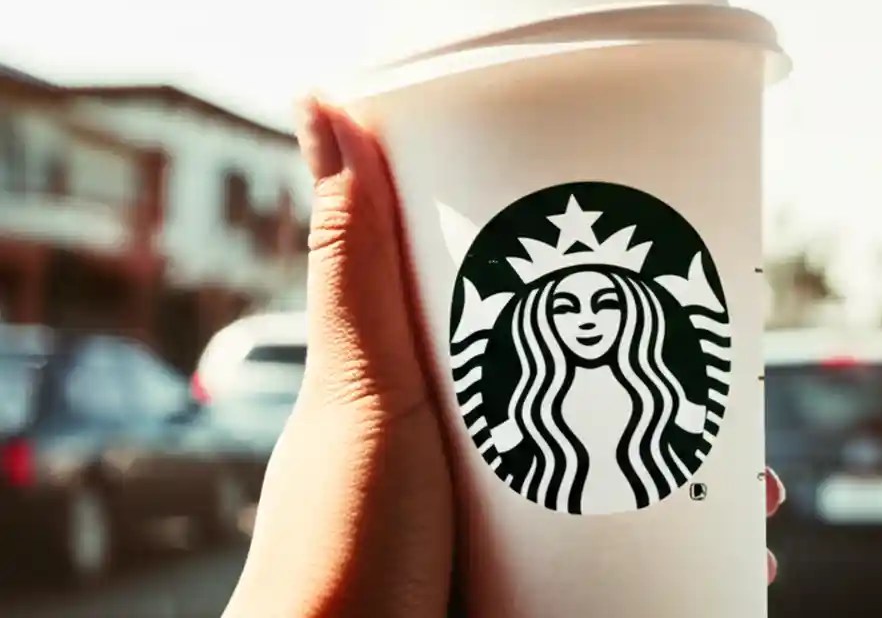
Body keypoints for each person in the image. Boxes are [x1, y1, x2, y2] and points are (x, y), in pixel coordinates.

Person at [222, 98, 785, 617]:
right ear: (538, 321)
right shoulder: (521, 422)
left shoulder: (673, 414)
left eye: (606, 303)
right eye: (565, 306)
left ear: (638, 313)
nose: (587, 320)